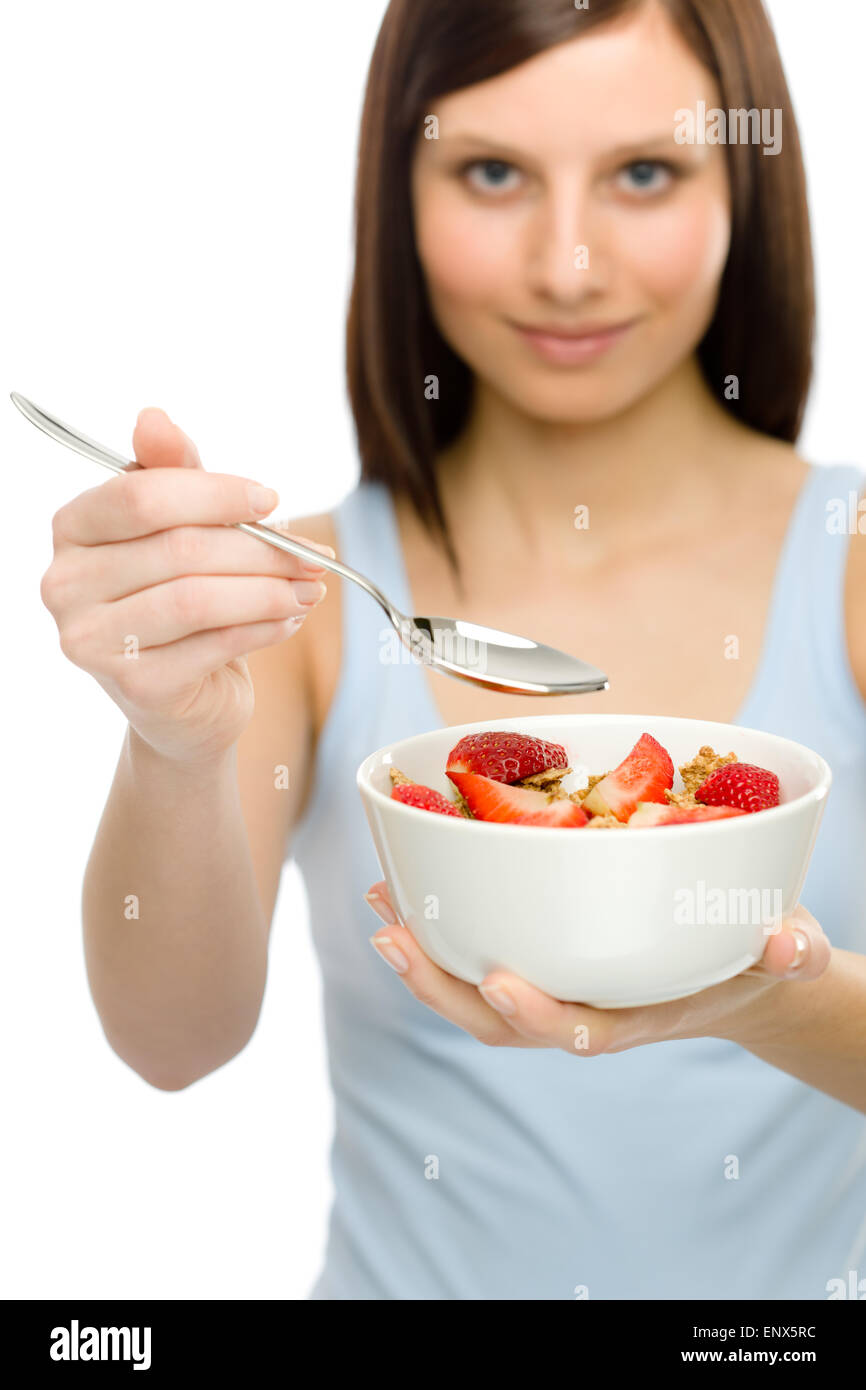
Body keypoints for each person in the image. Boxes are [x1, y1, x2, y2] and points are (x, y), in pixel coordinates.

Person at [40, 0, 866, 1300]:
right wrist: (173, 744)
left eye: (643, 172)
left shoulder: (854, 557)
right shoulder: (300, 596)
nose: (568, 264)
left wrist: (757, 996)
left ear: (745, 186)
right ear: (395, 187)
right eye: (492, 172)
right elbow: (168, 1042)